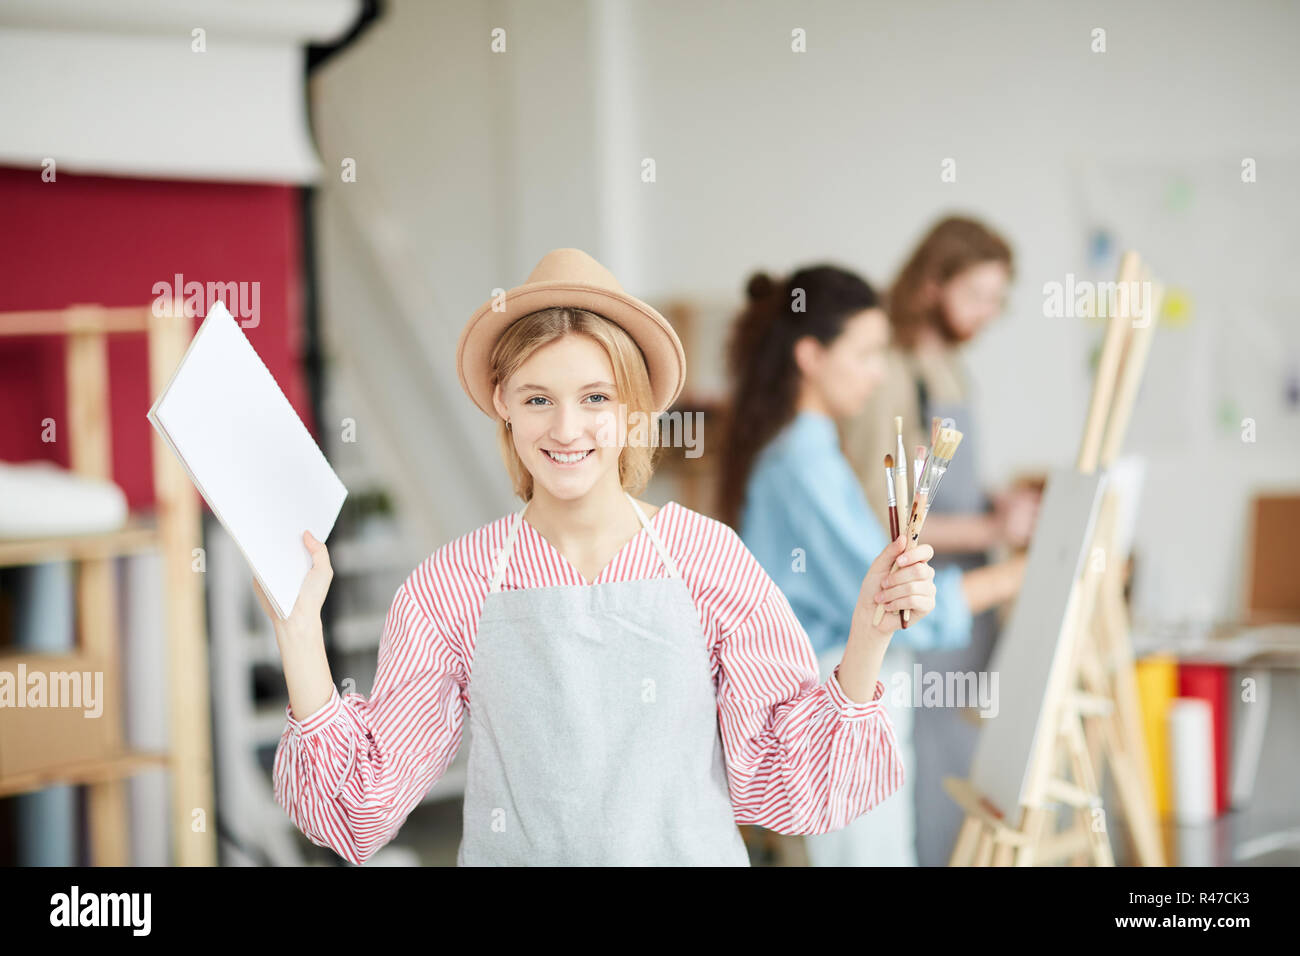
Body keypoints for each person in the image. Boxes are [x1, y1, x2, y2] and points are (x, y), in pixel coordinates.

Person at [257, 248, 940, 866]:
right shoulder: (452, 584)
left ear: (634, 406)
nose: (566, 429)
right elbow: (359, 808)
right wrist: (299, 633)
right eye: (537, 399)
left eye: (594, 398)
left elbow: (786, 788)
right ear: (503, 403)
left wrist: (870, 635)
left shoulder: (708, 559)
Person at [718, 263, 1025, 866]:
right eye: (865, 354)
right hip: (839, 700)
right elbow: (899, 604)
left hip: (844, 698)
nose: (879, 373)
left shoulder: (803, 452)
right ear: (810, 355)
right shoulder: (801, 464)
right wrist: (1022, 574)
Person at [841, 216, 1040, 866]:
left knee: (965, 769)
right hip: (922, 604)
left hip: (967, 611)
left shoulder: (949, 368)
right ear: (932, 284)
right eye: (978, 295)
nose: (988, 313)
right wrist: (992, 527)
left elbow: (943, 484)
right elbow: (885, 517)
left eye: (996, 299)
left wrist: (995, 504)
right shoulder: (888, 373)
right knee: (928, 777)